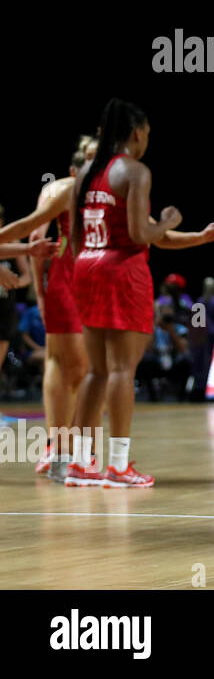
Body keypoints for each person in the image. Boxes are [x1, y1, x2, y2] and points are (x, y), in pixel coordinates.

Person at [64, 99, 214, 488]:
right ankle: (118, 465)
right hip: (122, 273)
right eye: (147, 135)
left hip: (86, 265)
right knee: (122, 370)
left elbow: (75, 237)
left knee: (97, 371)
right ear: (136, 133)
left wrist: (196, 238)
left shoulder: (86, 171)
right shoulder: (134, 171)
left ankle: (79, 463)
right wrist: (170, 219)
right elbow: (142, 235)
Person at [0, 137, 93, 480]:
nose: (94, 166)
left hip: (96, 284)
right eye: (88, 159)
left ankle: (84, 449)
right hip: (66, 282)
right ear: (73, 168)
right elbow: (35, 241)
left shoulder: (114, 190)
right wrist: (40, 293)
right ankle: (57, 445)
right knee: (68, 364)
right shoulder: (61, 190)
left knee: (89, 369)